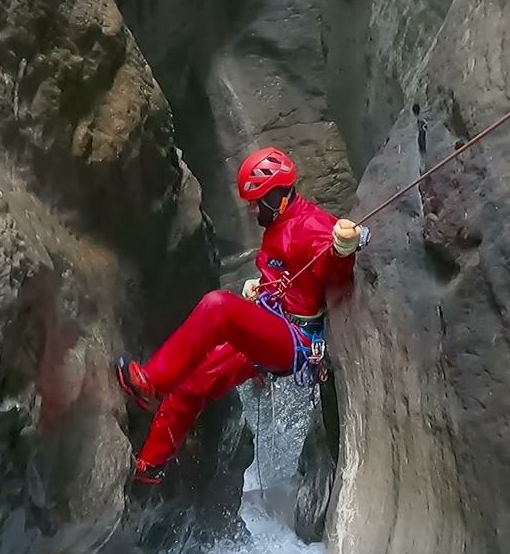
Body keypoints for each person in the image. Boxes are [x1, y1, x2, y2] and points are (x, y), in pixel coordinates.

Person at [115, 146, 370, 484]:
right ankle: (151, 465)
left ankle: (150, 382)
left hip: (293, 341)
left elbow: (335, 273)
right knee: (194, 382)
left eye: (257, 202)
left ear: (278, 196)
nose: (252, 210)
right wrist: (263, 291)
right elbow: (289, 276)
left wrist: (344, 249)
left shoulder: (310, 226)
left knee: (218, 306)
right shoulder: (282, 223)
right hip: (271, 325)